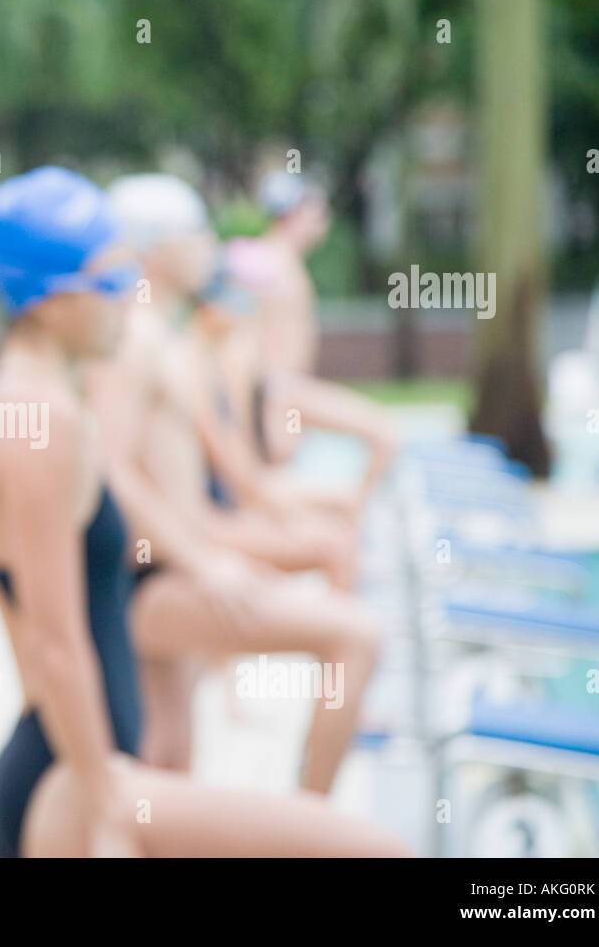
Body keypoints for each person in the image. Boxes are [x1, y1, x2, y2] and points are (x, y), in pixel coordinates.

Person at [0, 166, 408, 857]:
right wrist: (106, 800)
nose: (127, 298)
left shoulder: (44, 401)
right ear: (52, 300)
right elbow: (53, 640)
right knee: (373, 851)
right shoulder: (37, 419)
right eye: (112, 282)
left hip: (95, 770)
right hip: (73, 784)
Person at [91, 173, 383, 787]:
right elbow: (111, 473)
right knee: (354, 637)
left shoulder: (157, 338)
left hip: (172, 563)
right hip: (152, 580)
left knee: (167, 754)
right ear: (153, 249)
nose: (208, 244)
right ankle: (312, 833)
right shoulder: (133, 343)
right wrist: (202, 560)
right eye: (193, 232)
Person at [231, 170, 398, 500]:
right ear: (295, 213)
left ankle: (342, 520)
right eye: (318, 211)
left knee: (280, 480)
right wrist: (272, 404)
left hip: (285, 391)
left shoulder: (281, 261)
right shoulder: (267, 264)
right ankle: (347, 515)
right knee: (385, 435)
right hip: (279, 391)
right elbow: (242, 342)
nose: (325, 220)